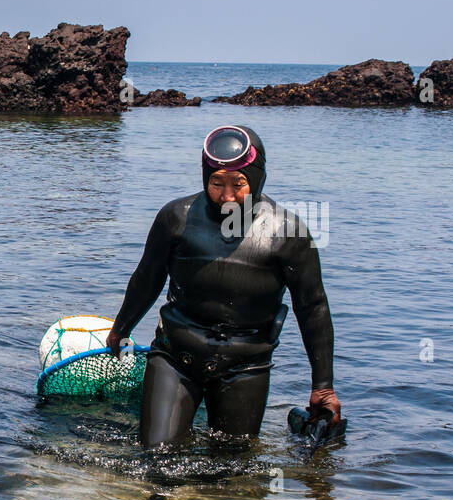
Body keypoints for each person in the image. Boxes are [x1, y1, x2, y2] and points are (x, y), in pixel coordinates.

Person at [106, 125, 341, 447]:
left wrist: (323, 386)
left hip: (245, 367)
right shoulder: (176, 218)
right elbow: (148, 279)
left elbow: (312, 306)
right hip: (176, 357)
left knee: (231, 472)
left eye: (238, 184)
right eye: (216, 183)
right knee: (157, 459)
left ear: (257, 179)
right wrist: (121, 329)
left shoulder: (288, 232)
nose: (227, 196)